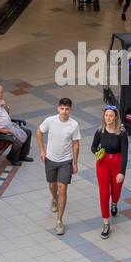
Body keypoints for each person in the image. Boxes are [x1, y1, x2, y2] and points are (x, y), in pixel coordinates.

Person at [36, 98, 81, 237]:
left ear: (70, 110)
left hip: (66, 161)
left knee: (63, 188)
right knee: (52, 185)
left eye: (67, 109)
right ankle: (53, 198)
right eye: (62, 108)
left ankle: (59, 220)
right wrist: (42, 151)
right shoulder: (50, 121)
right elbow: (39, 132)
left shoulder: (74, 125)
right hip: (50, 158)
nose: (64, 111)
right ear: (58, 109)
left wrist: (75, 162)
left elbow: (76, 143)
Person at [92, 105, 129, 239]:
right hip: (103, 163)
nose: (108, 118)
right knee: (104, 192)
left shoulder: (122, 133)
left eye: (111, 116)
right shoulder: (100, 131)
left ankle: (114, 203)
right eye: (106, 115)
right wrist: (97, 153)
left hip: (117, 163)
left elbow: (125, 154)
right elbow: (93, 146)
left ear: (115, 118)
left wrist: (122, 172)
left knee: (116, 190)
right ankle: (106, 222)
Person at [0, 83, 32, 163]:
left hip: (9, 126)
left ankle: (23, 155)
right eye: (1, 92)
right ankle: (12, 157)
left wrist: (4, 106)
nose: (2, 94)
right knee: (17, 140)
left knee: (28, 132)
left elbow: (7, 112)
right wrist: (4, 131)